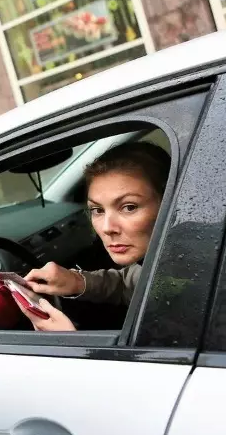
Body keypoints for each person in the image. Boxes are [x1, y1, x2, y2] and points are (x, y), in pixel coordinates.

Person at [16, 142, 171, 332]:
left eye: (129, 207)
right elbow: (130, 283)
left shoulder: (197, 283)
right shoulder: (167, 262)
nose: (107, 228)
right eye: (97, 210)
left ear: (169, 202)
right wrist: (77, 281)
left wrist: (68, 343)